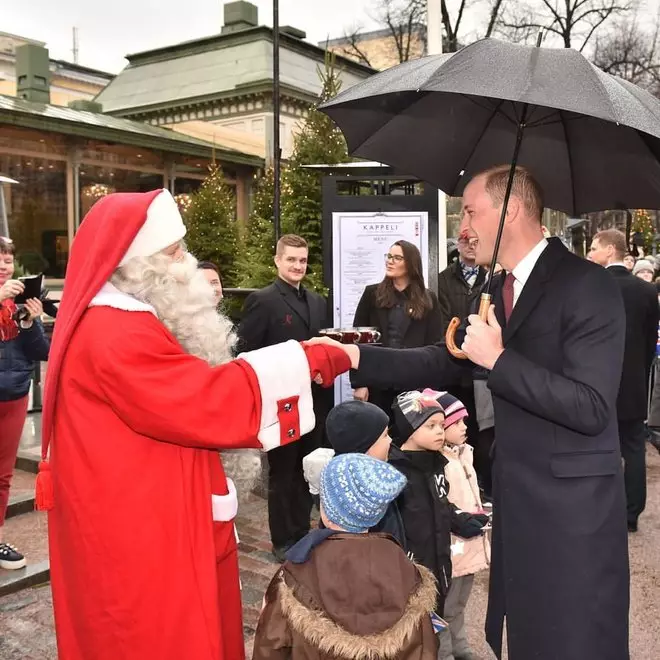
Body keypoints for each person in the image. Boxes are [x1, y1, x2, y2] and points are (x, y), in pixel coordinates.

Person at [37, 190, 357, 660]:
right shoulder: (116, 331)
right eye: (175, 252)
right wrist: (313, 357)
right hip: (141, 530)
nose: (187, 263)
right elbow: (208, 400)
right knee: (157, 635)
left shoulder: (119, 320)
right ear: (137, 264)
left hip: (139, 508)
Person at [347, 165, 629, 660]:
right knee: (530, 639)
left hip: (573, 517)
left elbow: (590, 406)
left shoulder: (590, 286)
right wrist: (352, 357)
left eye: (473, 212)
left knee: (577, 641)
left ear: (511, 210)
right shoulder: (497, 289)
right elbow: (445, 356)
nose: (463, 226)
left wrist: (499, 359)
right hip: (519, 503)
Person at [252, 453, 438, 660]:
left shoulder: (294, 575)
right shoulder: (407, 574)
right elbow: (425, 648)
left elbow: (270, 646)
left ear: (327, 509)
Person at [238, 233, 332, 562]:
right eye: (291, 259)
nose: (297, 266)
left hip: (316, 398)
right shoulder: (263, 301)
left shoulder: (319, 302)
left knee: (309, 468)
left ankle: (301, 532)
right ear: (277, 260)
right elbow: (245, 352)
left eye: (302, 260)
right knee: (283, 471)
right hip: (282, 401)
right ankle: (282, 539)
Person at [389, 390, 489, 618]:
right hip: (411, 572)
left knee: (435, 624)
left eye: (441, 425)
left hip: (440, 565)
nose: (439, 432)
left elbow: (440, 505)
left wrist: (462, 519)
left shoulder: (436, 465)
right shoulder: (395, 473)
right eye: (431, 425)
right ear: (410, 430)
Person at [588, 229, 659, 532]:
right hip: (632, 383)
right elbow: (648, 340)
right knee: (633, 448)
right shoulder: (645, 292)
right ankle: (632, 511)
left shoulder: (592, 286)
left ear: (609, 250)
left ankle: (602, 508)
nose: (590, 253)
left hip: (595, 381)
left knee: (599, 448)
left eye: (594, 247)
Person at [353, 239, 443, 427]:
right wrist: (359, 383)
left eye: (397, 258)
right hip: (378, 382)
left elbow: (435, 344)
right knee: (378, 436)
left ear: (411, 263)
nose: (390, 261)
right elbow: (358, 340)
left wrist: (430, 390)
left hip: (414, 384)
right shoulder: (372, 294)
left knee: (410, 438)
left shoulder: (428, 299)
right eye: (389, 256)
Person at [0, 236, 50, 570]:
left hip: (13, 394)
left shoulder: (17, 303)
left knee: (2, 475)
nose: (4, 265)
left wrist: (31, 321)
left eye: (7, 260)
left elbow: (41, 352)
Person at [302, 400, 406, 548]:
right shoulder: (364, 495)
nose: (390, 441)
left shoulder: (374, 479)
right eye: (385, 435)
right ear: (364, 446)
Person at [436, 392, 490, 660]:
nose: (464, 427)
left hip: (469, 540)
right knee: (445, 603)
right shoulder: (438, 462)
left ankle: (460, 645)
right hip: (452, 543)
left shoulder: (464, 454)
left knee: (459, 601)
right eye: (456, 423)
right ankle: (444, 652)